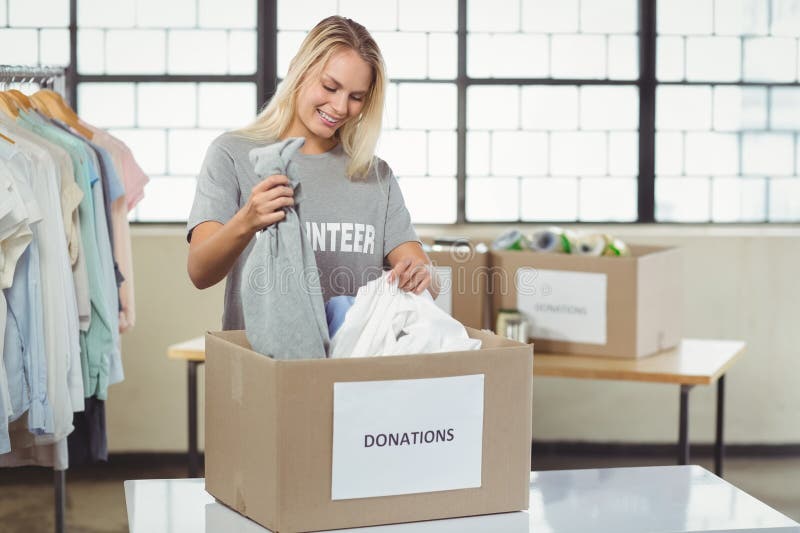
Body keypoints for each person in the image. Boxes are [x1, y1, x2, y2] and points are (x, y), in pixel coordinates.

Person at [186, 15, 437, 331]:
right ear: (298, 70)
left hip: (352, 371)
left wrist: (421, 275)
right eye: (330, 87)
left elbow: (425, 277)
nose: (340, 107)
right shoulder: (232, 154)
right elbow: (200, 271)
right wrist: (247, 219)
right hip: (263, 368)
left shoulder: (376, 176)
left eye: (356, 97)